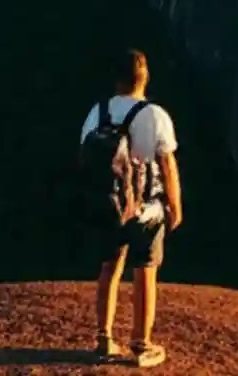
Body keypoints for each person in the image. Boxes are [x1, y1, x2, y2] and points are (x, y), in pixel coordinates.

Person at [78, 48, 183, 366]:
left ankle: (104, 338)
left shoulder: (98, 112)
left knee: (109, 268)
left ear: (116, 78)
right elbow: (167, 164)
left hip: (107, 204)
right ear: (144, 78)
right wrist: (175, 205)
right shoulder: (155, 115)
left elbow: (84, 155)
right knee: (145, 270)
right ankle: (141, 343)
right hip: (146, 210)